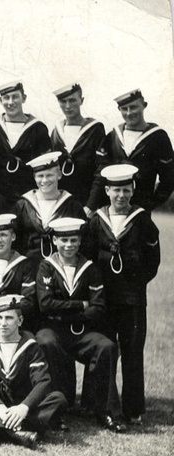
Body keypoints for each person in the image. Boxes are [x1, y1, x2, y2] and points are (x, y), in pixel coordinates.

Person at [34, 218, 125, 433]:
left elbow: (98, 306)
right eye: (63, 240)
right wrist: (80, 305)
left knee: (106, 346)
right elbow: (45, 304)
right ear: (55, 240)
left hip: (81, 331)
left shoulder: (90, 268)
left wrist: (68, 313)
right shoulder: (46, 266)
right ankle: (56, 408)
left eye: (73, 240)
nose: (68, 245)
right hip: (53, 329)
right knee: (45, 341)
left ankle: (105, 410)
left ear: (80, 241)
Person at [88, 164, 160, 425]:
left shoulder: (141, 218)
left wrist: (135, 284)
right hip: (104, 299)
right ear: (106, 190)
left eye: (126, 190)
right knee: (106, 351)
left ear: (133, 190)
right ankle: (104, 406)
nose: (121, 195)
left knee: (132, 351)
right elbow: (88, 255)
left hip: (132, 300)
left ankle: (133, 408)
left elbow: (153, 260)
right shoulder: (97, 219)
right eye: (116, 190)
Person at [0, 295, 68, 449]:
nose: (3, 323)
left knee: (58, 398)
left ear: (20, 321)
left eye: (9, 318)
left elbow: (42, 381)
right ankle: (17, 433)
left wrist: (24, 407)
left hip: (22, 407)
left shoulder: (31, 346)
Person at [90, 89, 174, 212]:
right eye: (124, 109)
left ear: (144, 106)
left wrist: (149, 204)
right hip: (113, 209)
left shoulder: (158, 137)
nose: (129, 113)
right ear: (119, 110)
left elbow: (169, 179)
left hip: (140, 210)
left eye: (133, 107)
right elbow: (101, 174)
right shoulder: (112, 136)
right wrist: (93, 204)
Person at [14, 151, 87, 269]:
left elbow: (83, 240)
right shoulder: (23, 205)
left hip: (62, 267)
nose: (44, 180)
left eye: (49, 175)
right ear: (34, 177)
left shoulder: (72, 205)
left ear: (59, 174)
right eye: (40, 176)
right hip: (30, 266)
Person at [0, 80, 52, 203]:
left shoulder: (38, 128)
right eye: (6, 98)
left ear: (24, 98)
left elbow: (46, 167)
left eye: (15, 97)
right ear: (0, 101)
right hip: (0, 196)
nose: (10, 102)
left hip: (30, 196)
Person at [49, 83, 105, 212]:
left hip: (87, 202)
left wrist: (91, 205)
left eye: (72, 100)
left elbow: (101, 170)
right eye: (63, 101)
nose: (68, 106)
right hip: (62, 202)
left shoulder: (95, 129)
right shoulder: (57, 132)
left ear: (81, 100)